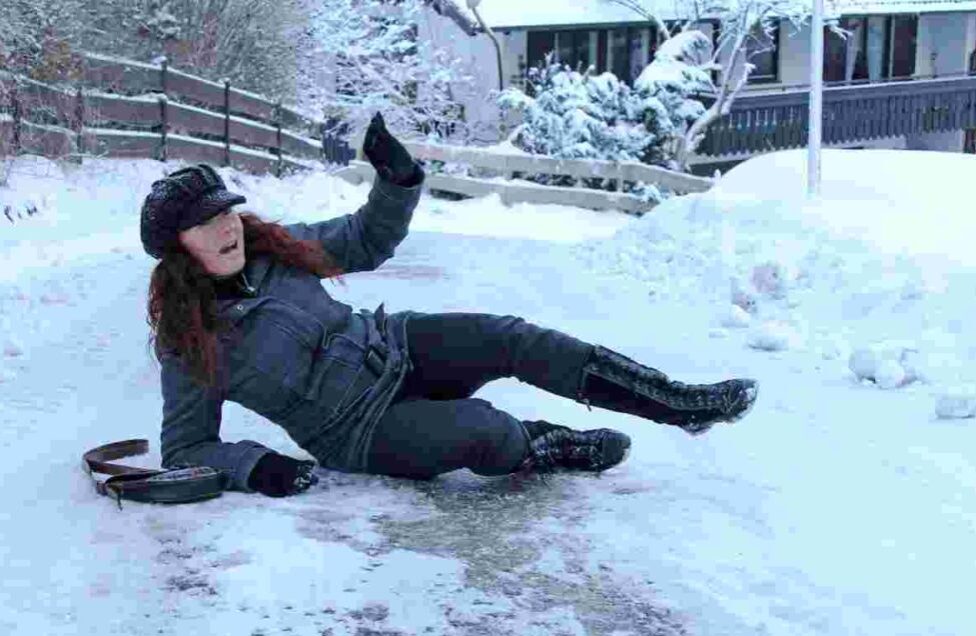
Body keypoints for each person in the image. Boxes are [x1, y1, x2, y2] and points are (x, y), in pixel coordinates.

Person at [142, 113, 758, 499]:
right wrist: (256, 467)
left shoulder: (270, 249)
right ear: (177, 247)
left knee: (508, 336)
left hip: (394, 348)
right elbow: (187, 448)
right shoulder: (187, 339)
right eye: (207, 224)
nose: (227, 230)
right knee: (481, 429)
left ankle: (676, 402)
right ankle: (543, 445)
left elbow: (364, 239)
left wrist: (396, 180)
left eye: (227, 213)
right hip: (356, 429)